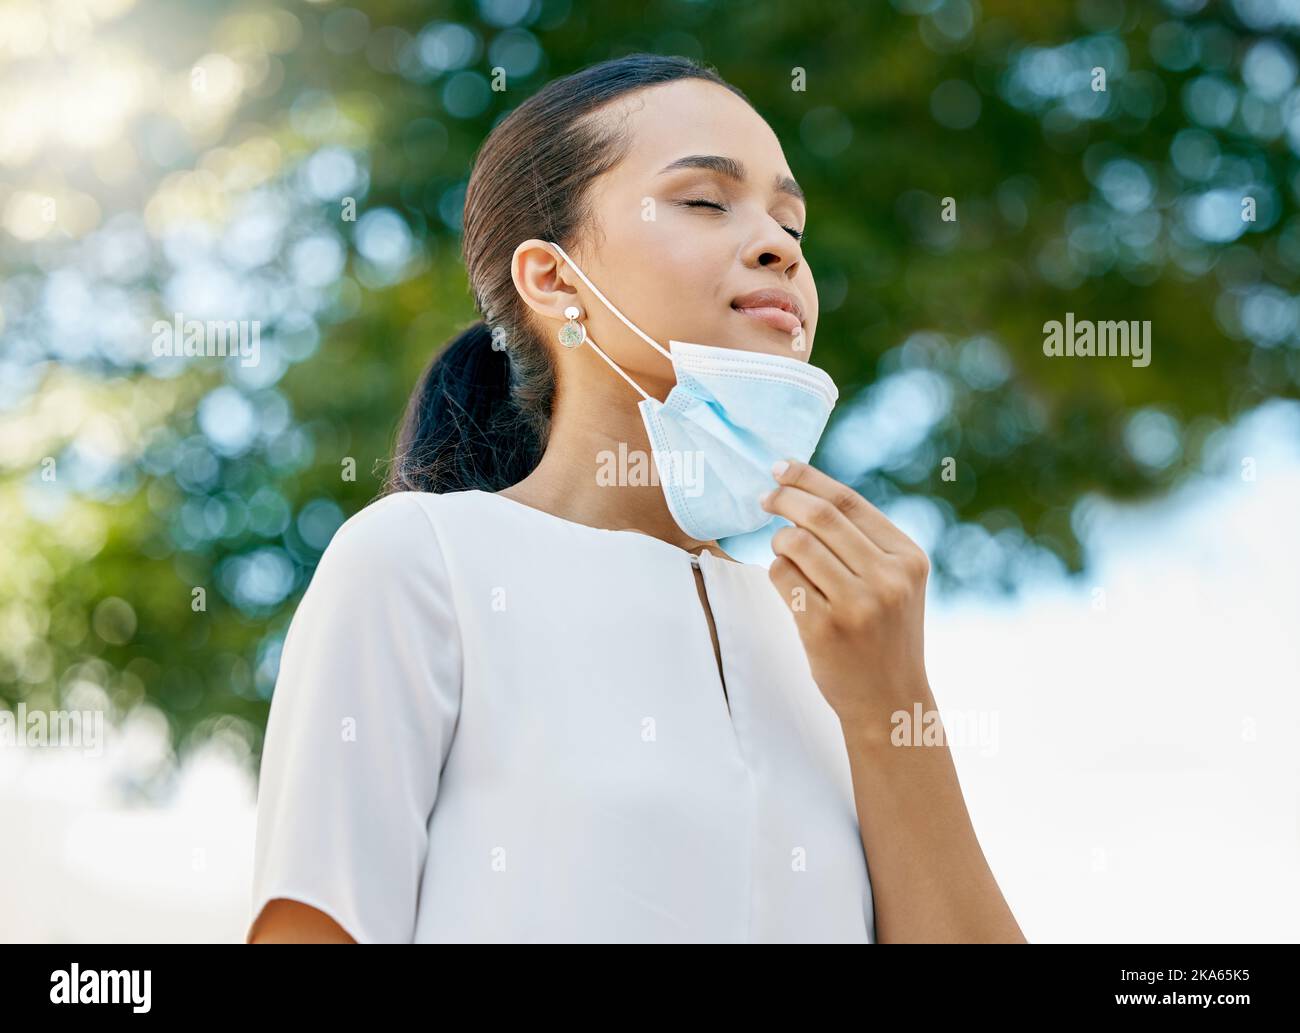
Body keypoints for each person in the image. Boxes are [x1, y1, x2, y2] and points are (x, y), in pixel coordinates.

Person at [246, 53, 1026, 944]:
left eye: (790, 218)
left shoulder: (835, 640)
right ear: (552, 279)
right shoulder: (421, 561)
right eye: (704, 200)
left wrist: (893, 703)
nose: (781, 244)